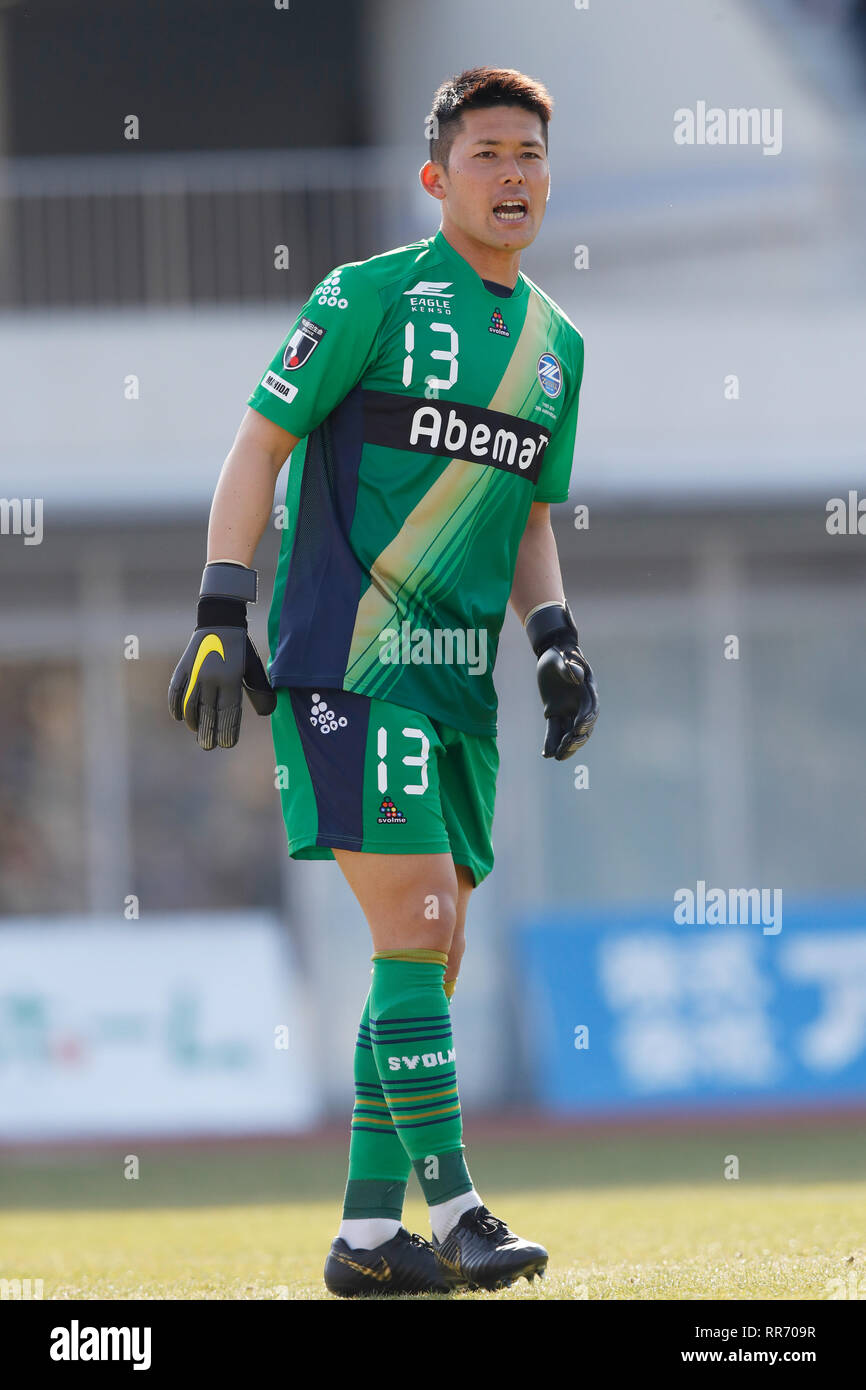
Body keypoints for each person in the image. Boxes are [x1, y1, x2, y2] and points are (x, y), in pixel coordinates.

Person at [169, 65, 598, 1297]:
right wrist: (218, 605)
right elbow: (261, 443)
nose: (511, 175)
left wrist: (554, 639)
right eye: (486, 155)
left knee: (431, 949)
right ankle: (458, 1209)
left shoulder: (557, 349)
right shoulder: (366, 296)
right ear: (434, 177)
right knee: (414, 920)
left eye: (528, 155)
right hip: (347, 665)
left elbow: (523, 514)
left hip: (460, 683)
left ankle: (363, 1242)